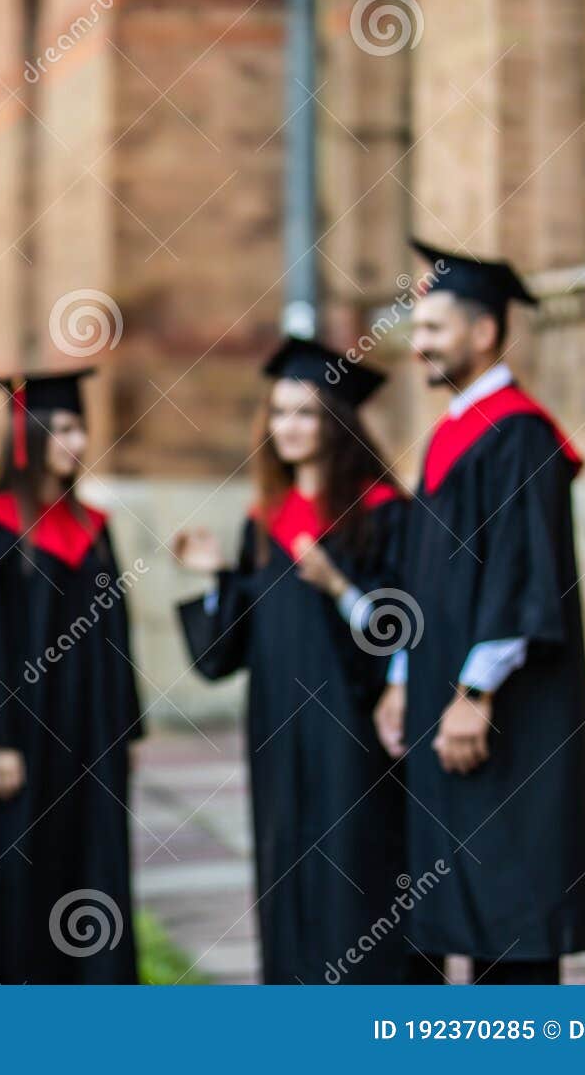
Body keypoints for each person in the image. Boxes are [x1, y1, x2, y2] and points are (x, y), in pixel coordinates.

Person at [374, 238, 585, 984]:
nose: (420, 345)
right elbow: (426, 578)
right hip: (447, 710)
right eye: (417, 331)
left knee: (512, 915)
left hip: (503, 718)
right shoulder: (451, 435)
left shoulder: (520, 435)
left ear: (483, 332)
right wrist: (403, 676)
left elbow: (523, 575)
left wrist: (474, 693)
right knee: (468, 906)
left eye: (434, 328)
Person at [172, 336, 426, 984]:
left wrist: (337, 583)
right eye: (280, 412)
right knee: (288, 870)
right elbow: (228, 649)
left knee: (358, 873)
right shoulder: (265, 521)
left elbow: (408, 630)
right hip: (279, 731)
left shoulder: (382, 515)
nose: (289, 426)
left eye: (306, 412)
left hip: (353, 733)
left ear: (336, 422)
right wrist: (216, 578)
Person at [0, 368, 143, 983]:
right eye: (60, 429)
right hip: (24, 742)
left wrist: (126, 731)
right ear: (26, 438)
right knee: (23, 869)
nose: (77, 442)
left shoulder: (94, 528)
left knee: (93, 862)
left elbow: (118, 640)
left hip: (91, 738)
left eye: (80, 428)